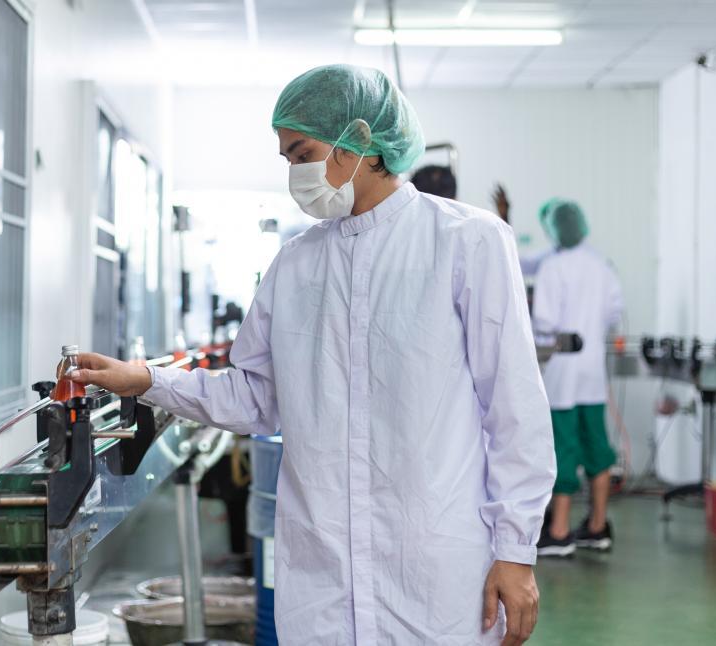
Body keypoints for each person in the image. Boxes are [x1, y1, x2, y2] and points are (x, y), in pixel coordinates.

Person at [70, 64, 555, 645]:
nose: (296, 174)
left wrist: (516, 550)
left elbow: (514, 410)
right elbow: (256, 396)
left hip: (434, 572)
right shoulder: (294, 266)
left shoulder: (467, 242)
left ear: (361, 140)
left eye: (303, 153)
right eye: (288, 160)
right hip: (323, 576)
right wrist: (144, 379)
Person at [531, 200, 623, 557]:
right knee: (598, 447)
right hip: (593, 373)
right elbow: (615, 310)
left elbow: (544, 324)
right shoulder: (601, 265)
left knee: (564, 447)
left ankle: (559, 531)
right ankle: (597, 527)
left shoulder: (553, 267)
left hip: (562, 372)